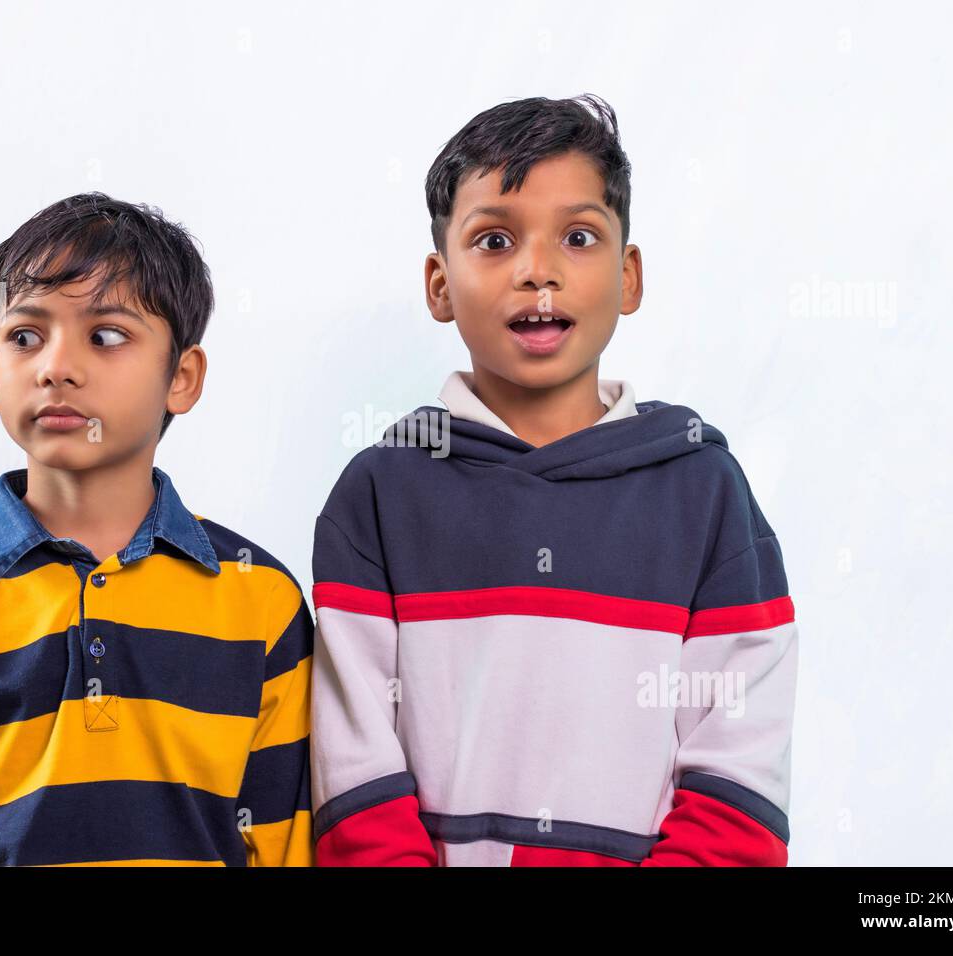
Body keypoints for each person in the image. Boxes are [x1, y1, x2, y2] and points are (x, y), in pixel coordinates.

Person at [309, 94, 798, 866]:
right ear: (439, 284)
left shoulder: (706, 495)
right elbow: (353, 774)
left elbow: (739, 774)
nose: (538, 271)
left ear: (628, 276)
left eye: (578, 236)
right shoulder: (377, 497)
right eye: (495, 240)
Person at [0, 193, 313, 866]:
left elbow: (283, 843)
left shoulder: (260, 599)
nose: (55, 367)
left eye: (106, 335)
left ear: (182, 377)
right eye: (25, 336)